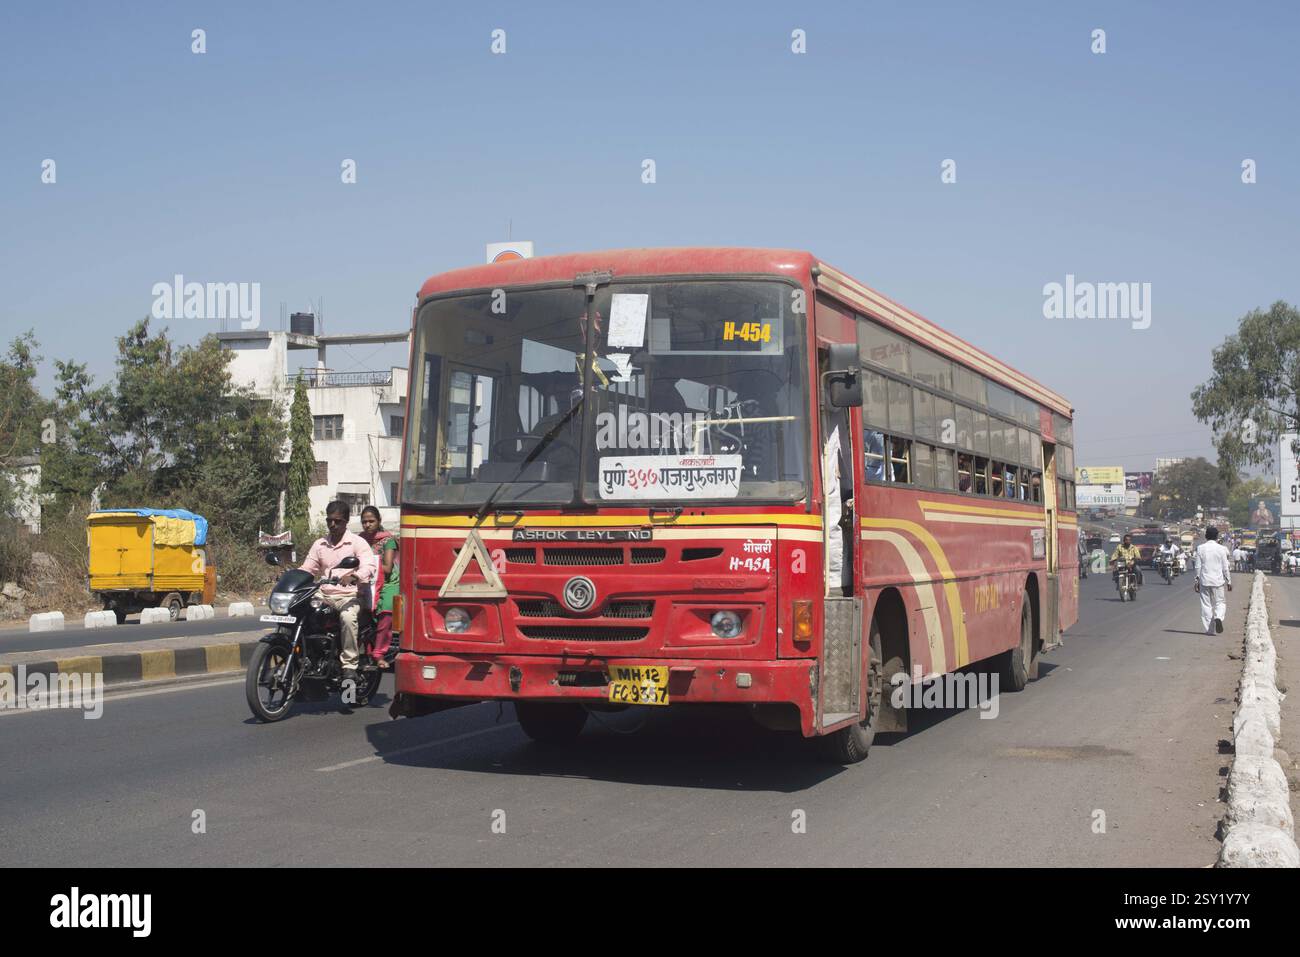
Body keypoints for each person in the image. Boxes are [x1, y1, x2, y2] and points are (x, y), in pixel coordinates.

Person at [300, 501, 377, 680]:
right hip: (324, 594)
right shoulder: (320, 544)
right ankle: (307, 654)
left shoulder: (358, 542)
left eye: (338, 521)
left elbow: (369, 566)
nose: (333, 525)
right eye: (329, 521)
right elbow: (307, 569)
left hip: (350, 595)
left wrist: (354, 576)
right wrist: (292, 576)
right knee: (300, 610)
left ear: (346, 521)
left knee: (347, 617)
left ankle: (349, 664)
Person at [359, 505, 399, 669]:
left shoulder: (388, 540)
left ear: (379, 521)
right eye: (364, 522)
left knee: (386, 612)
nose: (367, 525)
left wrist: (366, 567)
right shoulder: (359, 540)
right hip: (367, 581)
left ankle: (379, 652)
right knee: (362, 614)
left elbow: (388, 568)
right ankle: (367, 650)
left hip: (389, 582)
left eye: (371, 521)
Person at [1194, 525, 1233, 635]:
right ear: (1217, 537)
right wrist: (1229, 581)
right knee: (1220, 602)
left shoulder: (1200, 548)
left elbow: (1198, 566)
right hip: (1218, 581)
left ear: (1206, 536)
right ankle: (1219, 617)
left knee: (1206, 605)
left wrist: (1196, 581)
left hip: (1204, 580)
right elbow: (1225, 567)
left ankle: (1210, 630)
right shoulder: (1222, 549)